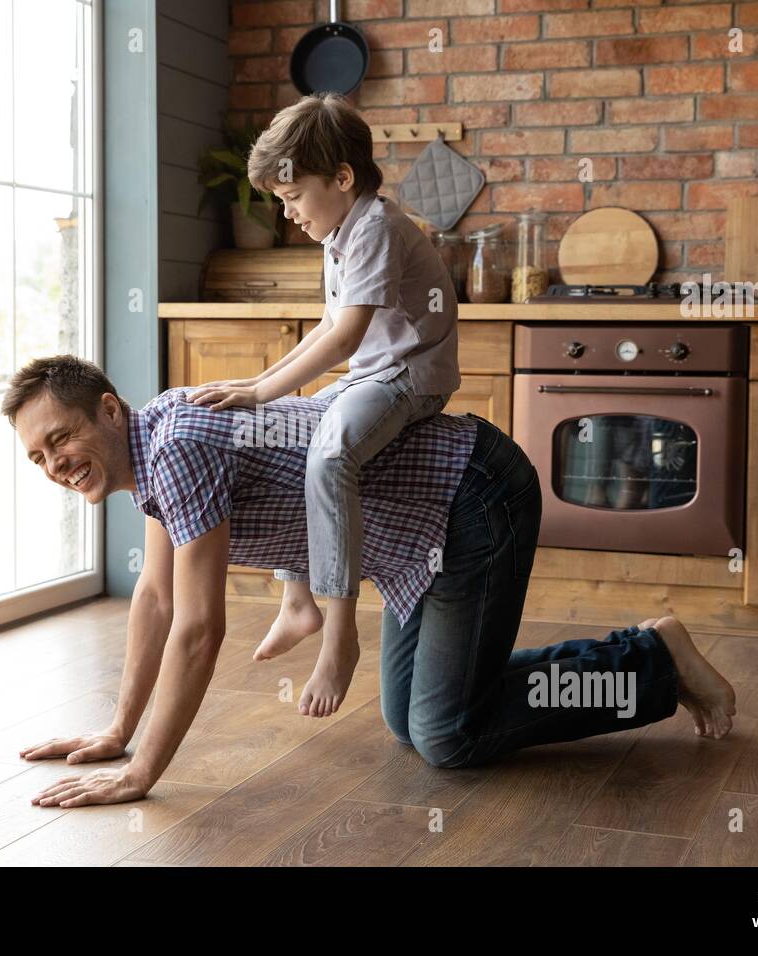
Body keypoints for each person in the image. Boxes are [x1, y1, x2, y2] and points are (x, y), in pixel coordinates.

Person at [1, 357, 737, 810]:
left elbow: (198, 630)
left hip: (471, 497)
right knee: (411, 721)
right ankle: (641, 655)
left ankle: (651, 664)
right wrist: (117, 733)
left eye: (60, 438)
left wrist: (141, 775)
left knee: (449, 734)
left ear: (106, 408)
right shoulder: (154, 448)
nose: (54, 464)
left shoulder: (178, 445)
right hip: (418, 534)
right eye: (37, 457)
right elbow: (157, 602)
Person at [186, 92, 460, 719]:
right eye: (280, 203)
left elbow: (345, 338)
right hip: (373, 373)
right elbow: (324, 328)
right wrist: (259, 389)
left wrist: (260, 389)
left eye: (292, 198)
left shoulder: (378, 230)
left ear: (342, 179)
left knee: (331, 456)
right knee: (284, 431)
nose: (288, 216)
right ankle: (296, 599)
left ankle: (341, 633)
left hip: (411, 376)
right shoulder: (338, 232)